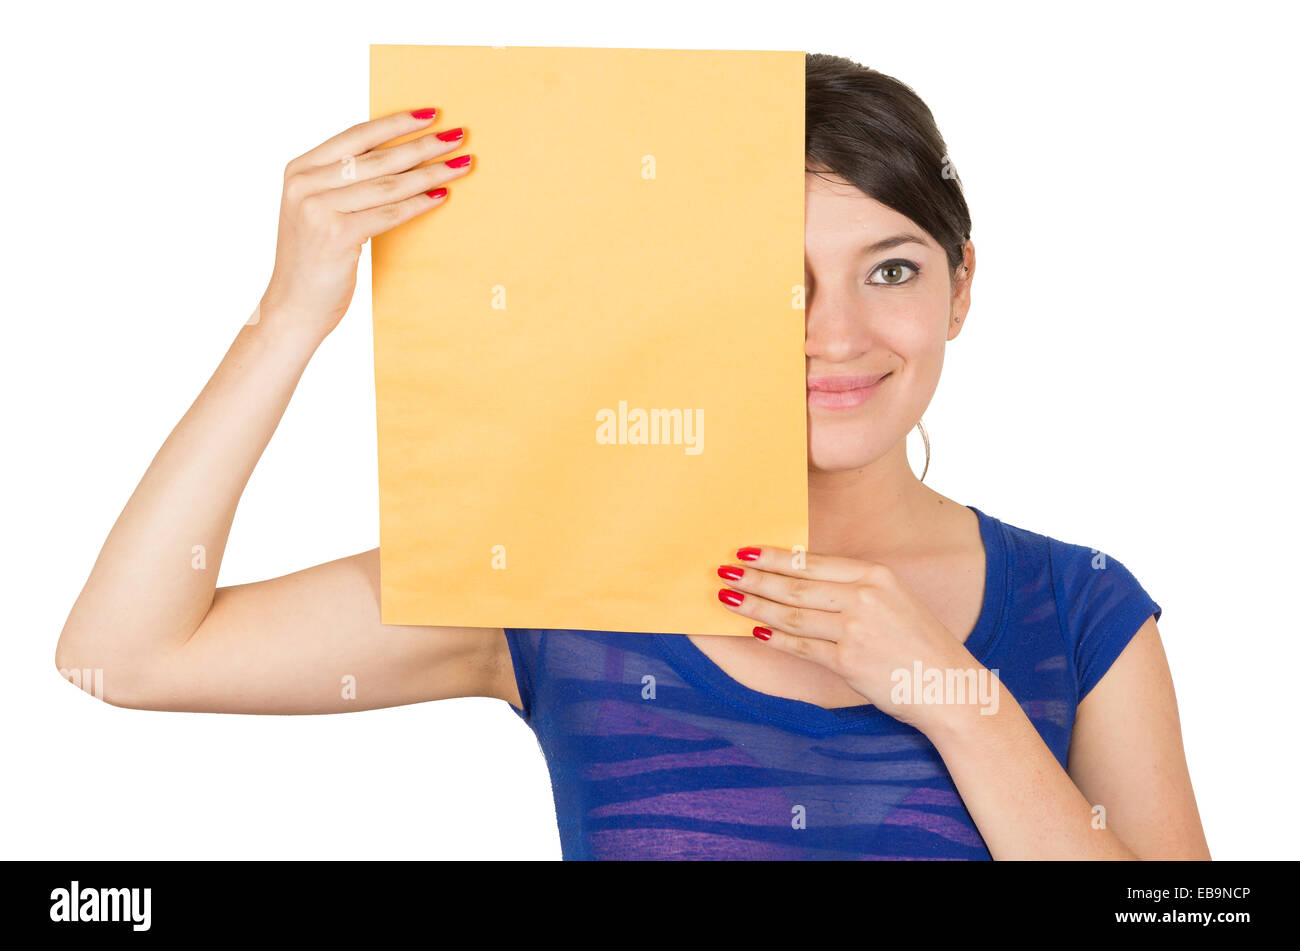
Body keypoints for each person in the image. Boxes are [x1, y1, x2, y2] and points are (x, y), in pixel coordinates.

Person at [55, 52, 1210, 860]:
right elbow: (126, 656)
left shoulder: (1077, 605)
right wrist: (291, 313)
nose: (836, 332)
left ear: (962, 290)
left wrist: (953, 699)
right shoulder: (563, 579)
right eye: (776, 280)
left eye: (892, 268)